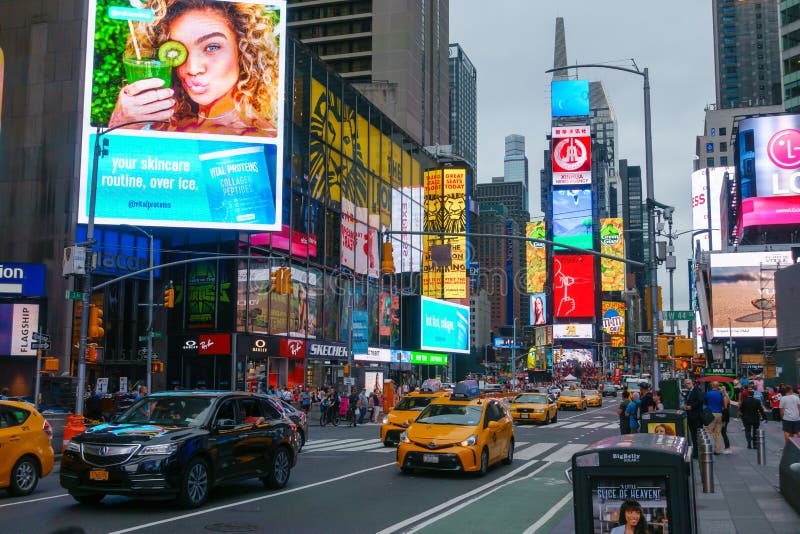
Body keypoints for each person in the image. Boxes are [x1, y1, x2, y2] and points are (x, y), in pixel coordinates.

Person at [109, 0, 279, 137]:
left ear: (243, 50)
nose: (192, 68)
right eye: (178, 51)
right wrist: (119, 124)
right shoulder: (160, 124)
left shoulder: (261, 138)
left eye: (211, 47)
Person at [739, 385, 767, 449]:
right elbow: (761, 410)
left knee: (747, 431)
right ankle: (754, 444)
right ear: (753, 394)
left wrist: (742, 416)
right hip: (755, 418)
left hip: (746, 418)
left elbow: (741, 409)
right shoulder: (757, 401)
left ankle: (749, 444)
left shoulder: (745, 401)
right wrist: (765, 417)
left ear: (748, 394)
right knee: (755, 431)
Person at [683, 378, 705, 459]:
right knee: (693, 436)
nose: (687, 385)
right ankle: (695, 452)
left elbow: (700, 401)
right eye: (685, 384)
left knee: (697, 436)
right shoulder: (689, 392)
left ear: (692, 383)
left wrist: (691, 407)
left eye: (688, 383)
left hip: (696, 417)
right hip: (691, 417)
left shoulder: (696, 390)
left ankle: (698, 453)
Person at [704, 381, 725, 455]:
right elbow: (724, 403)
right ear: (717, 386)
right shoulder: (720, 394)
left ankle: (708, 449)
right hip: (719, 414)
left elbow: (705, 402)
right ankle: (717, 450)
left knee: (708, 431)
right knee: (717, 433)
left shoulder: (708, 393)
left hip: (711, 414)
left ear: (712, 386)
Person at [720, 386, 732, 454]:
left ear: (723, 390)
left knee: (723, 432)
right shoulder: (725, 396)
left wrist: (723, 420)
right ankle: (727, 446)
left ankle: (727, 447)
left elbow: (725, 408)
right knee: (723, 432)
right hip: (725, 415)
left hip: (725, 416)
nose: (719, 390)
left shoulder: (724, 397)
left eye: (720, 389)